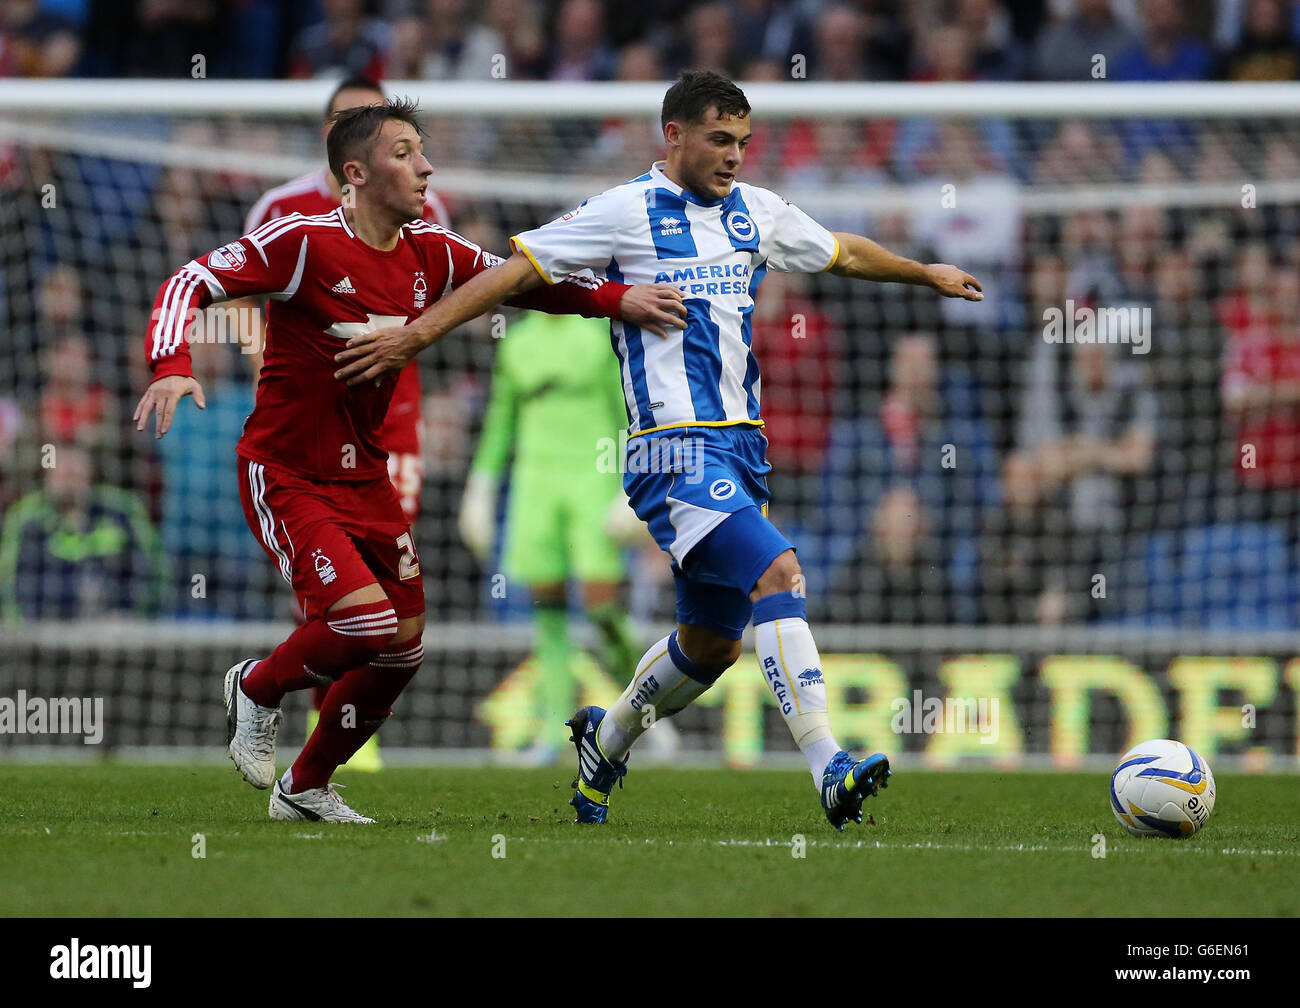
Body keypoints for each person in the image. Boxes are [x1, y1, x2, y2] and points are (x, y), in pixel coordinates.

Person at [334, 71, 983, 830]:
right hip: (670, 450)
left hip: (743, 449)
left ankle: (603, 743)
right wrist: (414, 336)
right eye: (718, 140)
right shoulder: (623, 211)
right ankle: (829, 766)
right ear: (672, 135)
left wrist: (922, 273)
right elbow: (512, 272)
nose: (734, 156)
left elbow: (840, 252)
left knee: (712, 644)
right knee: (781, 572)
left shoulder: (757, 213)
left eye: (742, 142)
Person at [134, 97, 686, 823]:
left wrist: (620, 299)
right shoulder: (300, 241)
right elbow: (189, 281)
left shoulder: (431, 249)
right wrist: (171, 362)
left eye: (423, 150)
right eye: (404, 153)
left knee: (401, 647)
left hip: (364, 474)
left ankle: (303, 788)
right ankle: (257, 686)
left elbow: (524, 280)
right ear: (356, 174)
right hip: (287, 471)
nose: (426, 165)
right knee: (363, 625)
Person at [239, 75, 452, 771]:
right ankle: (282, 704)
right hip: (300, 434)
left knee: (395, 624)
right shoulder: (286, 211)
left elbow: (445, 296)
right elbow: (243, 291)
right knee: (349, 608)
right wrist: (260, 363)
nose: (417, 166)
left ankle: (315, 769)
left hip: (388, 431)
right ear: (341, 149)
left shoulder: (427, 211)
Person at [459, 311, 647, 763]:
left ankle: (645, 705)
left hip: (592, 483)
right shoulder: (517, 341)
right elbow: (502, 420)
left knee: (602, 605)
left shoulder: (598, 334)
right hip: (535, 488)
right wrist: (480, 487)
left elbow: (625, 411)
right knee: (549, 612)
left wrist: (631, 482)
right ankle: (552, 734)